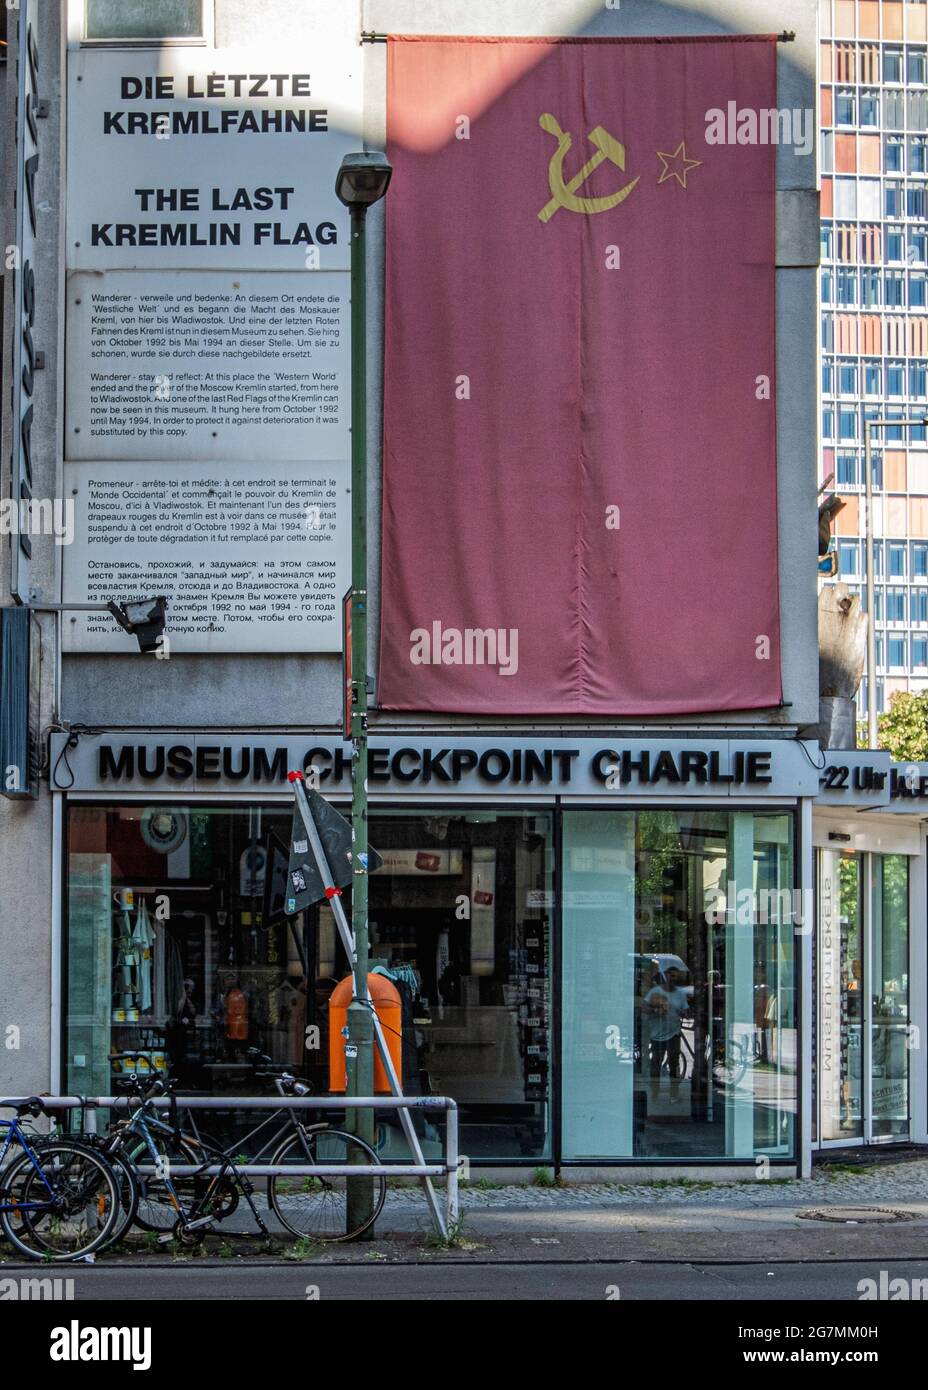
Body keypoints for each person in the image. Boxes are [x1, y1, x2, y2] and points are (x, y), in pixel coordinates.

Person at [644, 966, 690, 1104]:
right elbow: (645, 1008)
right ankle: (654, 1093)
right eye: (670, 976)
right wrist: (655, 1009)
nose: (672, 979)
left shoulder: (680, 994)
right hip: (657, 1034)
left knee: (674, 1064)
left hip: (673, 1034)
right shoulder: (656, 992)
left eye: (675, 976)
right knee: (656, 1063)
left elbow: (686, 1011)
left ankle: (674, 1094)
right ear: (665, 976)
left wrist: (684, 1013)